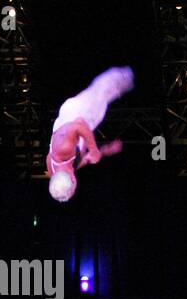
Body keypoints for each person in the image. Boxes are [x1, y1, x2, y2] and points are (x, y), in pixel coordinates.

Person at [45, 67, 134, 202]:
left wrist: (94, 150)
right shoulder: (60, 172)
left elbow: (79, 124)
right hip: (84, 125)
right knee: (107, 96)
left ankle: (133, 71)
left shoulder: (63, 148)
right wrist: (105, 151)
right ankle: (129, 78)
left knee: (103, 88)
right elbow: (85, 160)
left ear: (73, 181)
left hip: (77, 113)